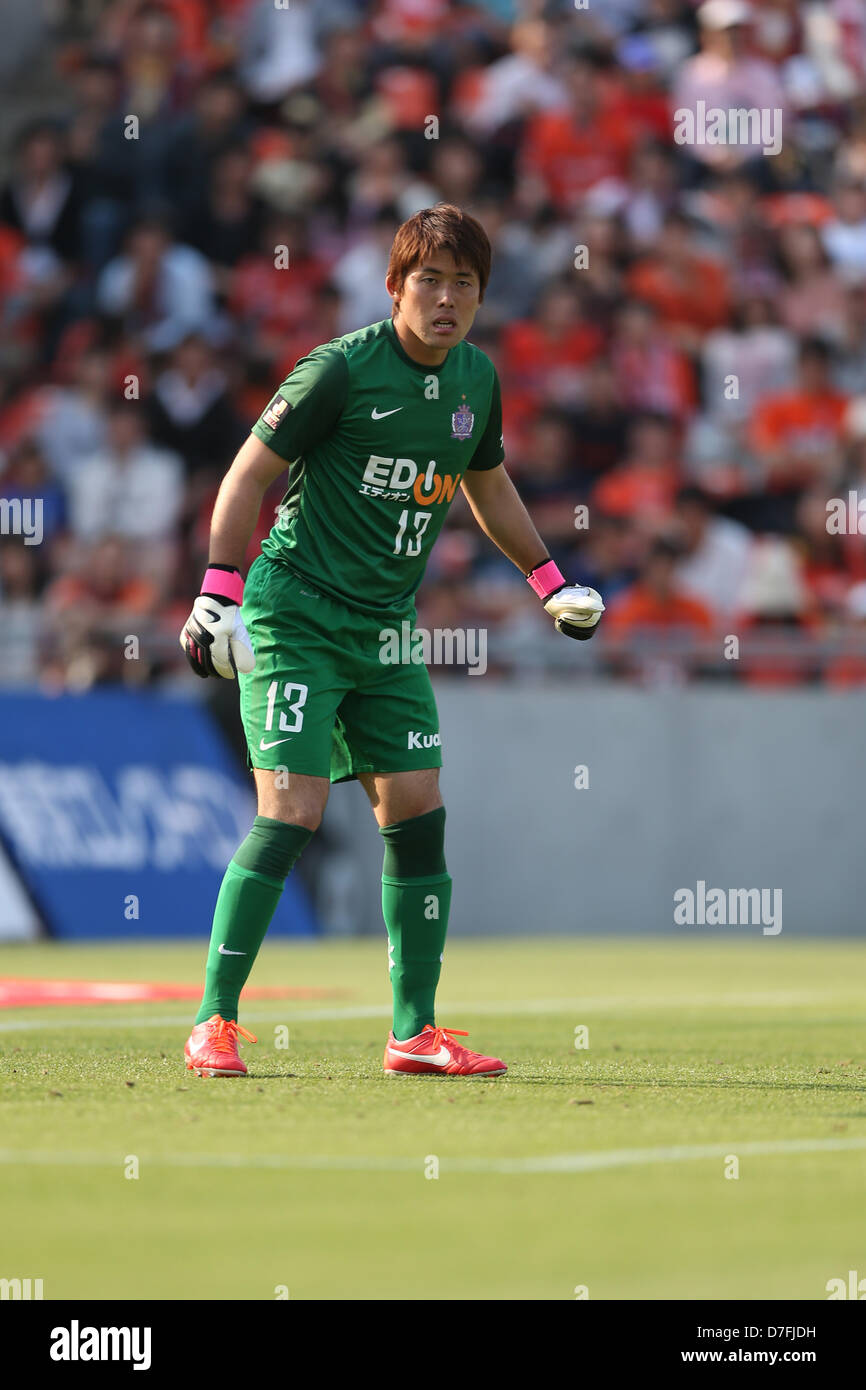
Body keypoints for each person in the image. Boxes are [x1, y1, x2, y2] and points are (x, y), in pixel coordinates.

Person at [178, 204, 604, 1079]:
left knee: (417, 809)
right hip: (295, 615)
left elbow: (488, 488)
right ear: (394, 287)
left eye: (465, 285)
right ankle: (213, 1023)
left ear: (482, 297)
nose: (447, 299)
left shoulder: (476, 382)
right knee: (291, 810)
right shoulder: (338, 370)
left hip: (387, 631)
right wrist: (218, 593)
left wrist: (549, 583)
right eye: (430, 281)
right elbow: (246, 475)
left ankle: (414, 1033)